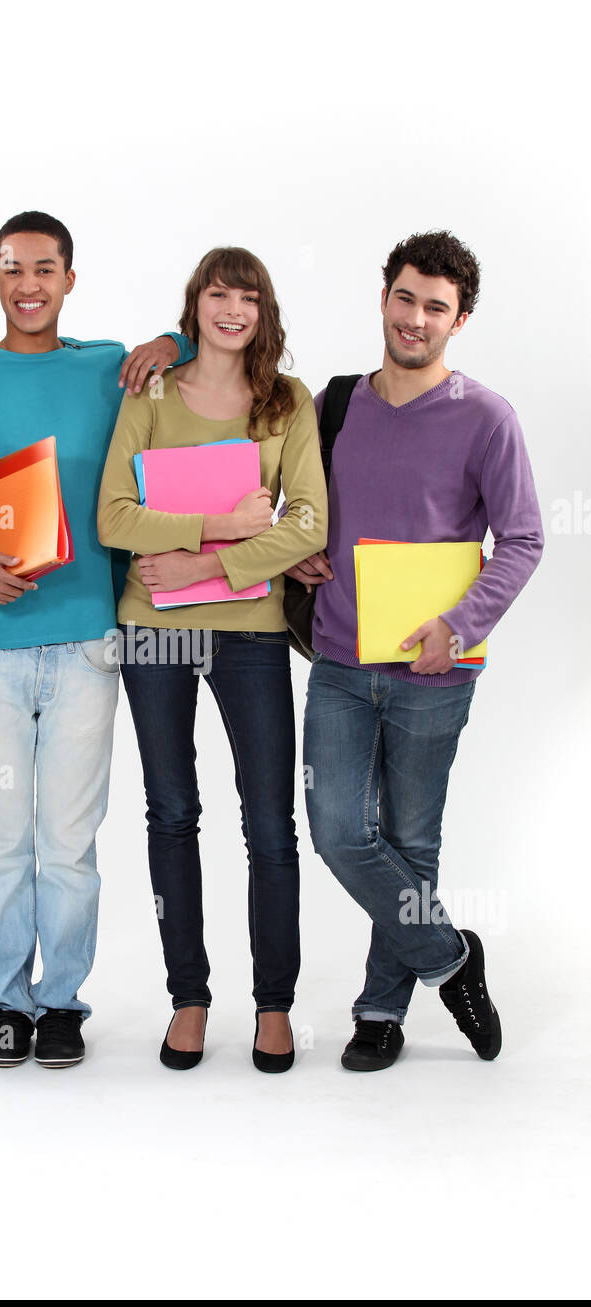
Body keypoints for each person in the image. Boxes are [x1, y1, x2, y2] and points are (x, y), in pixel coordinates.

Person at [0, 210, 195, 1069]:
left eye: (45, 269)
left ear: (70, 280)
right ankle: (4, 1001)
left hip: (89, 637)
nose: (29, 285)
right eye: (13, 269)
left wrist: (171, 334)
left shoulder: (103, 369)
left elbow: (214, 334)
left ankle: (61, 1004)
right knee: (0, 841)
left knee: (70, 843)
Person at [290, 230, 544, 1071]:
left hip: (435, 671)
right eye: (406, 298)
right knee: (336, 831)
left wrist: (461, 624)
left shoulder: (485, 417)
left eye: (436, 307)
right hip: (339, 658)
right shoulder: (332, 405)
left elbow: (524, 539)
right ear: (385, 299)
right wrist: (301, 550)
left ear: (458, 321)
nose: (416, 318)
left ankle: (380, 1010)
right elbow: (302, 513)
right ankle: (451, 959)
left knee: (410, 837)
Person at [97, 246, 327, 1072]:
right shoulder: (151, 391)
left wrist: (205, 563)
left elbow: (308, 526)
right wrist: (226, 525)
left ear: (264, 313)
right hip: (153, 628)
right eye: (218, 295)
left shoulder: (286, 402)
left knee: (269, 823)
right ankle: (187, 997)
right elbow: (115, 519)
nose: (233, 310)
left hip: (252, 630)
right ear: (193, 306)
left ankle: (274, 1004)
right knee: (172, 813)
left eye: (249, 298)